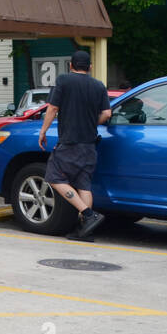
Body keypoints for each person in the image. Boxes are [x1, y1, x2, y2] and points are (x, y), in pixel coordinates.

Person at [37, 50, 112, 240]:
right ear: (90, 67)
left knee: (54, 177)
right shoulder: (98, 86)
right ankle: (85, 231)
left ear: (71, 66)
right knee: (83, 185)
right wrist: (92, 122)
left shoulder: (63, 80)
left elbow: (53, 108)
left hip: (70, 143)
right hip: (89, 144)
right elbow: (107, 114)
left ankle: (88, 215)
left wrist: (43, 130)